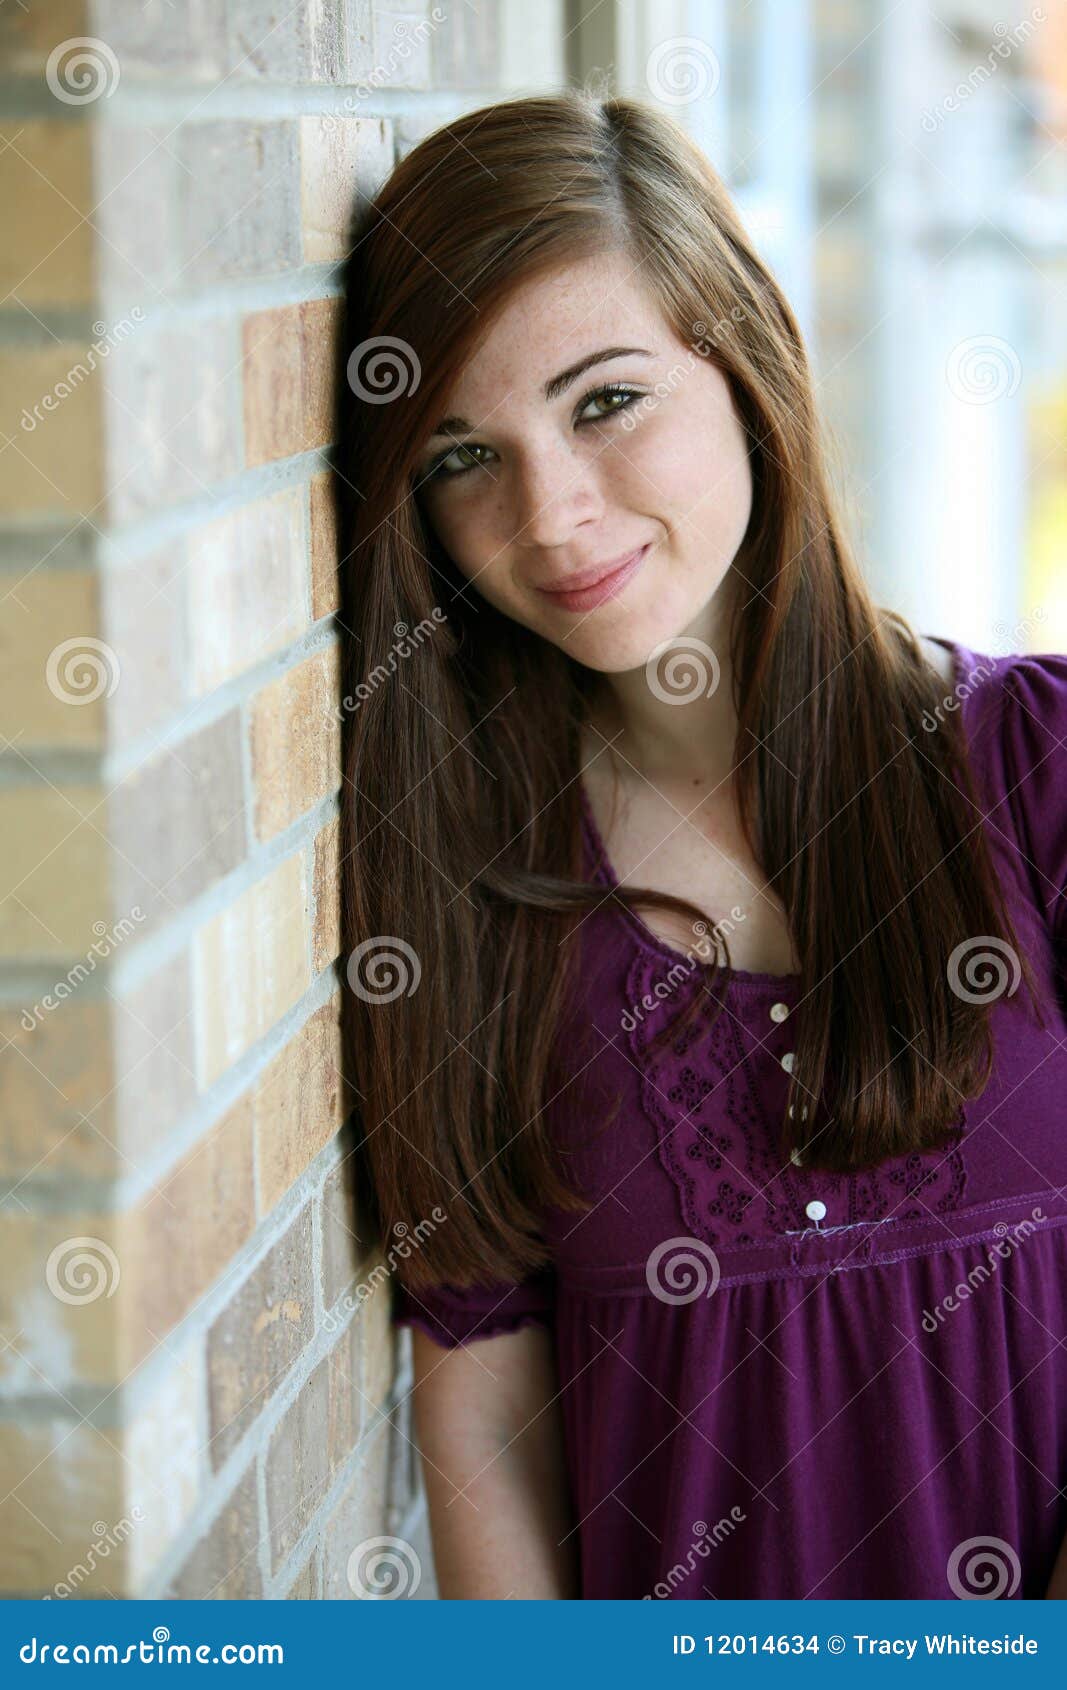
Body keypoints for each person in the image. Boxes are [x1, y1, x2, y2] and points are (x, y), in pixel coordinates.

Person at [335, 84, 1067, 1600]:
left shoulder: (1036, 765)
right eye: (462, 456)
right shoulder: (456, 886)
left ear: (744, 366)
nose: (552, 515)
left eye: (606, 402)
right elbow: (483, 1412)